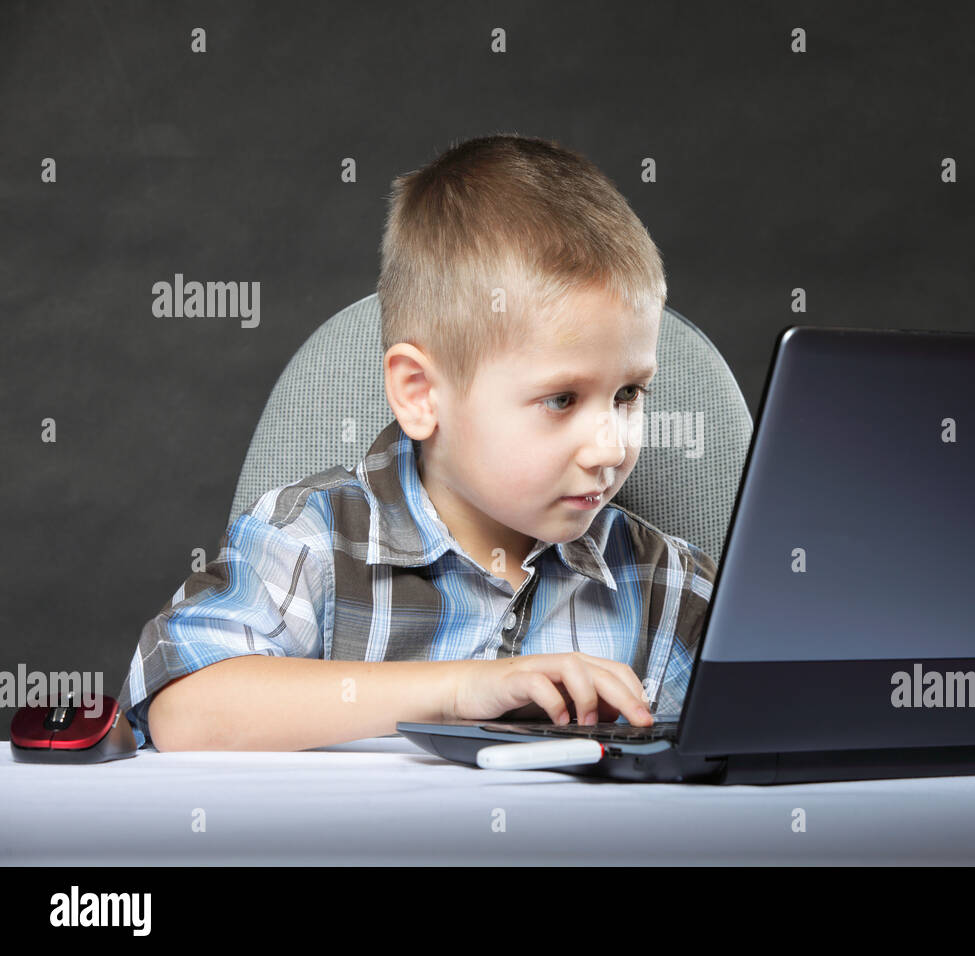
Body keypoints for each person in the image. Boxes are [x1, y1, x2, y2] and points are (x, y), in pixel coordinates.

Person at [117, 133, 718, 751]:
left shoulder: (662, 582)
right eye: (561, 400)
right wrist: (458, 689)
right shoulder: (312, 541)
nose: (610, 448)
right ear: (420, 394)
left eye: (628, 395)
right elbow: (181, 709)